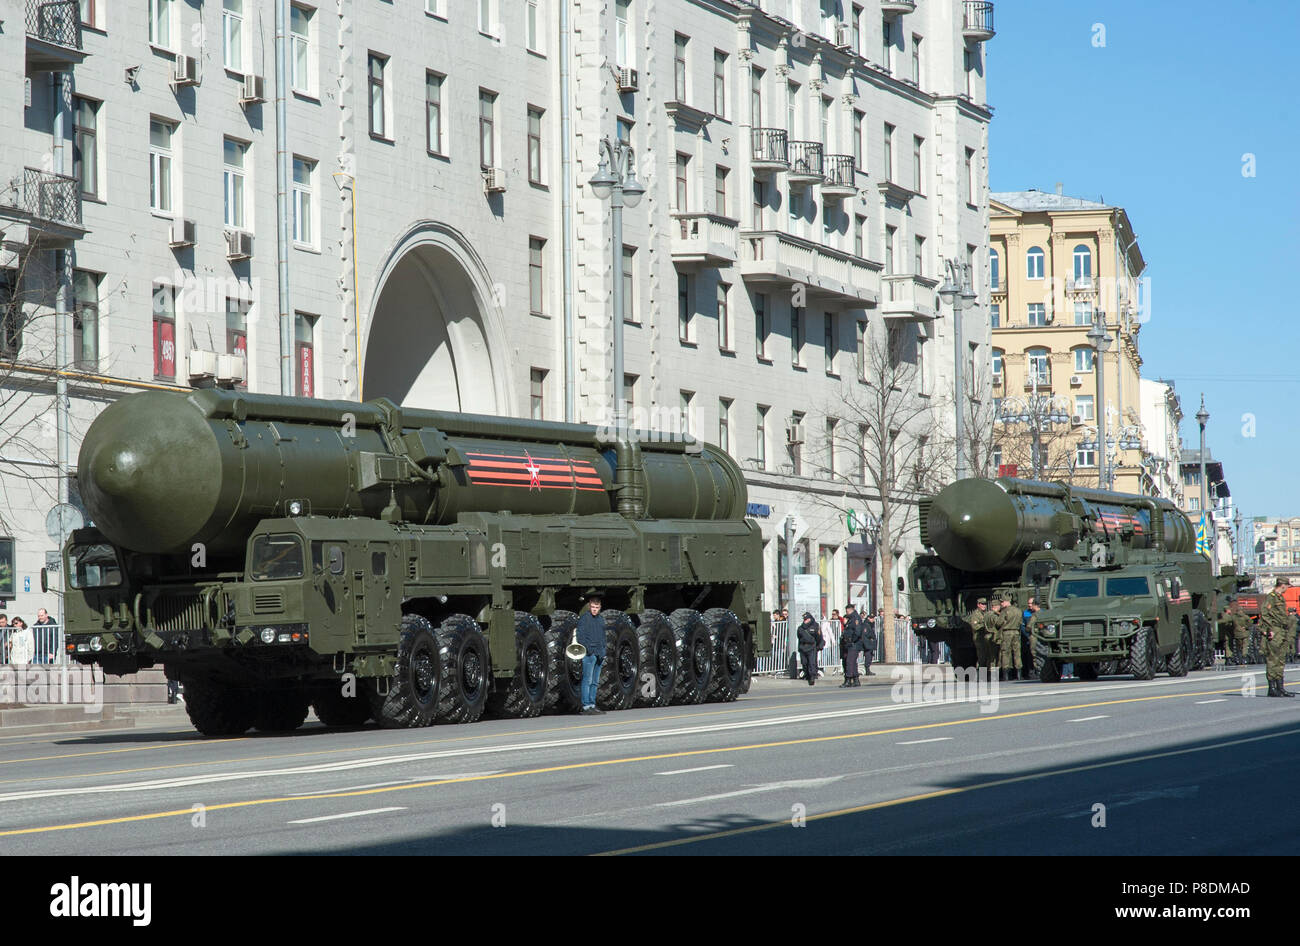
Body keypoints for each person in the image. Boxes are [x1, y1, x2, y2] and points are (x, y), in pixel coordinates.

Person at [1260, 578, 1294, 697]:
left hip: (1282, 630)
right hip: (1275, 630)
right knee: (1272, 659)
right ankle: (1272, 688)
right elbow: (1264, 613)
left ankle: (1280, 687)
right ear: (1282, 585)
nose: (1287, 588)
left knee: (1280, 659)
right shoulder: (1271, 597)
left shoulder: (1280, 597)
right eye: (1286, 586)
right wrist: (1270, 629)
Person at [575, 592, 608, 714]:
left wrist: (603, 650)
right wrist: (589, 650)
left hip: (599, 654)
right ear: (589, 606)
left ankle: (592, 704)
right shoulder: (584, 618)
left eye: (597, 608)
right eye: (593, 607)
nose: (594, 610)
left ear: (600, 608)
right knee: (587, 680)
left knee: (595, 681)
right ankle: (586, 706)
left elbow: (603, 636)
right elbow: (580, 637)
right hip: (589, 655)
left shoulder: (600, 619)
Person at [997, 594, 1024, 681]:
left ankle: (1006, 675)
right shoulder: (1018, 610)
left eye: (1002, 602)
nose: (1001, 603)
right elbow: (1020, 622)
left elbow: (999, 623)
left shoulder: (1005, 611)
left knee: (1005, 652)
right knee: (1017, 653)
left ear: (1006, 602)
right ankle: (1019, 673)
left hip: (1007, 633)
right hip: (1016, 632)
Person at [839, 603, 863, 687]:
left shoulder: (855, 618)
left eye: (847, 610)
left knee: (849, 662)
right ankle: (856, 680)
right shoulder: (851, 618)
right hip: (849, 643)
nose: (846, 612)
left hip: (853, 644)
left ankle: (848, 680)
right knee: (852, 662)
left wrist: (852, 640)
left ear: (850, 610)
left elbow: (857, 632)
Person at [796, 612, 823, 686]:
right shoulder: (801, 627)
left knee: (812, 662)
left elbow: (819, 637)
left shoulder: (815, 626)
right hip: (803, 647)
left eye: (806, 619)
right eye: (804, 619)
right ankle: (806, 674)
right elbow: (799, 636)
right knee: (804, 662)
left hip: (811, 647)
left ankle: (812, 677)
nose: (805, 621)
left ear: (810, 619)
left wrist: (819, 645)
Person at [1224, 599, 1250, 665]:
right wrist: (1246, 627)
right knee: (1245, 646)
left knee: (1238, 647)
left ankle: (1239, 659)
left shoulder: (1233, 617)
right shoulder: (1245, 617)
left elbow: (1230, 624)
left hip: (1237, 635)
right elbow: (1251, 622)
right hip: (1244, 634)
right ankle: (1244, 658)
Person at [968, 597, 990, 672]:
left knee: (988, 656)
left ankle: (989, 674)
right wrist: (985, 626)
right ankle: (982, 675)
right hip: (979, 638)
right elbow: (975, 626)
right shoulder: (975, 614)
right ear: (978, 605)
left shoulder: (986, 613)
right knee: (982, 657)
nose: (984, 605)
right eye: (982, 604)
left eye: (985, 604)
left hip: (986, 637)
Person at [861, 606, 878, 676]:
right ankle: (867, 670)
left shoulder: (870, 625)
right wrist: (867, 643)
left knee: (870, 657)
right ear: (868, 618)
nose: (873, 619)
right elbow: (865, 635)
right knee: (868, 657)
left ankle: (868, 670)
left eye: (873, 618)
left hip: (870, 644)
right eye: (871, 618)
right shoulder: (866, 625)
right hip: (868, 644)